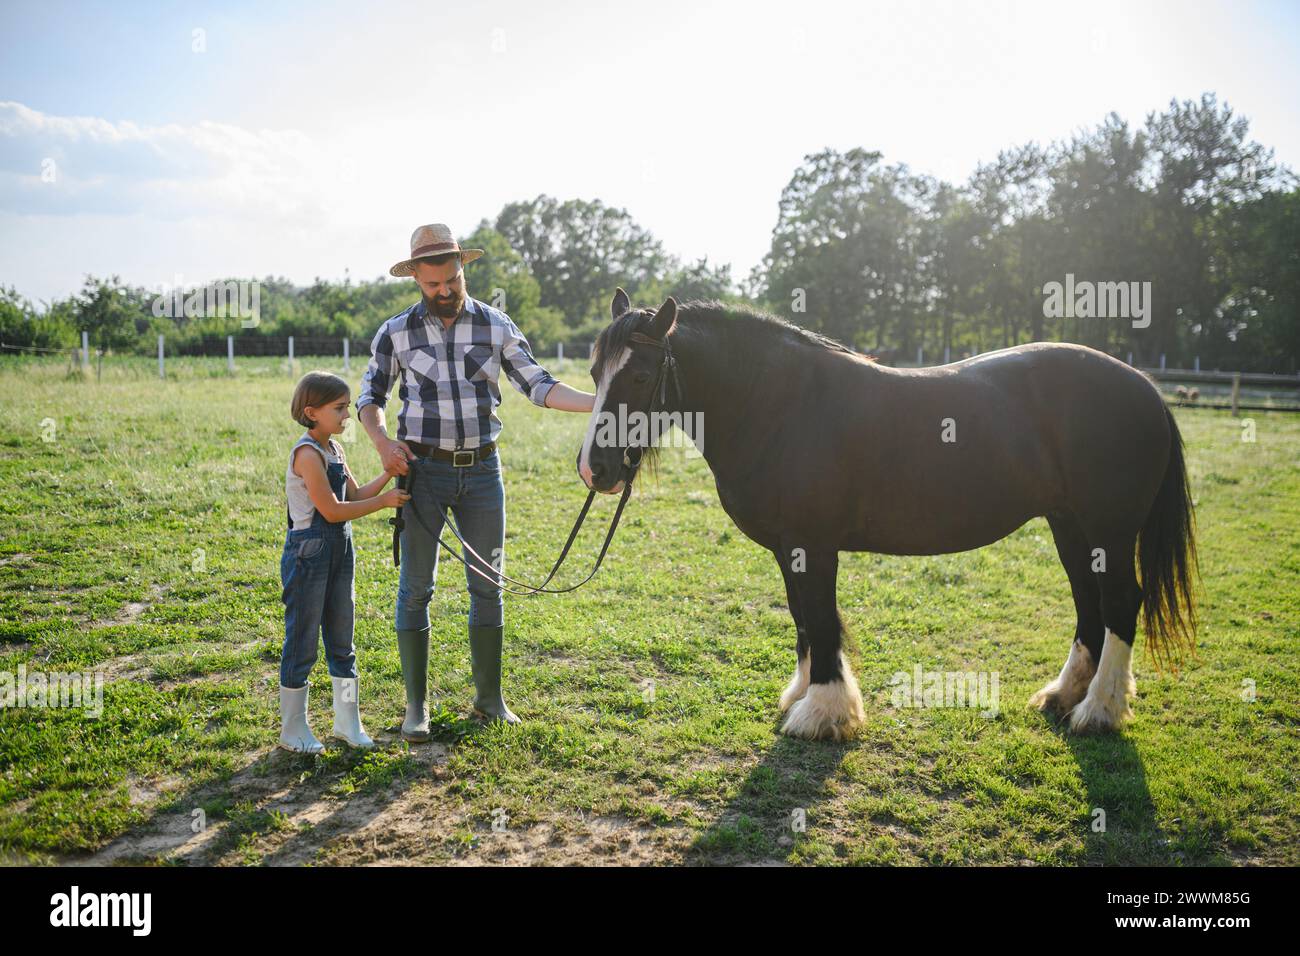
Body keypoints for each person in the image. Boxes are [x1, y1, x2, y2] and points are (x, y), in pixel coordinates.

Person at [356, 223, 595, 741]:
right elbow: (368, 399)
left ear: (463, 269)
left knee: (489, 588)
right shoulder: (394, 332)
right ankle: (415, 708)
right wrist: (382, 443)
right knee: (415, 589)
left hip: (484, 472)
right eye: (432, 284)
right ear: (416, 277)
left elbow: (539, 385)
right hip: (421, 472)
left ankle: (489, 700)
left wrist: (601, 404)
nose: (444, 292)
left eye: (451, 281)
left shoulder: (496, 325)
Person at [280, 370, 409, 753]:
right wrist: (382, 503)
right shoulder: (306, 454)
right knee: (302, 642)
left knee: (342, 639)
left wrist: (387, 475)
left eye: (348, 408)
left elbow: (355, 493)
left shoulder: (335, 450)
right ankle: (293, 728)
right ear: (311, 411)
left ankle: (347, 722)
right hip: (309, 554)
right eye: (339, 409)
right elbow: (333, 511)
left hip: (340, 549)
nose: (347, 416)